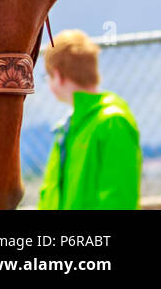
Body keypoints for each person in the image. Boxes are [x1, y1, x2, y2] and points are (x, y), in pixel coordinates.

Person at [36, 29, 141, 210]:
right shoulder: (68, 128)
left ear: (58, 75)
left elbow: (119, 202)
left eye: (48, 77)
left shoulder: (112, 122)